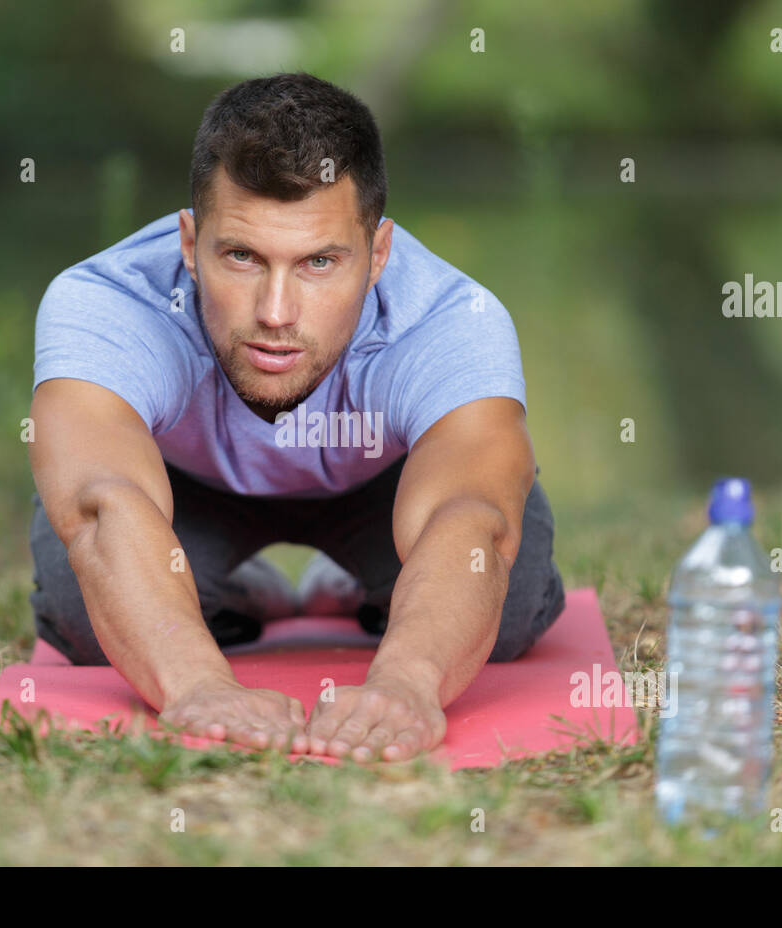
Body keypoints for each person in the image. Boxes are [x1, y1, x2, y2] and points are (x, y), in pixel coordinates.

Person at [27, 71, 565, 763]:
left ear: (378, 255)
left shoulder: (453, 320)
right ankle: (241, 596)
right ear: (190, 245)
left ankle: (365, 588)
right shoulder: (105, 301)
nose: (275, 314)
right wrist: (195, 684)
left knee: (507, 604)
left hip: (385, 484)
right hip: (182, 486)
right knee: (85, 609)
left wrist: (407, 683)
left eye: (319, 262)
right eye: (243, 257)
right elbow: (102, 502)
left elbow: (473, 516)